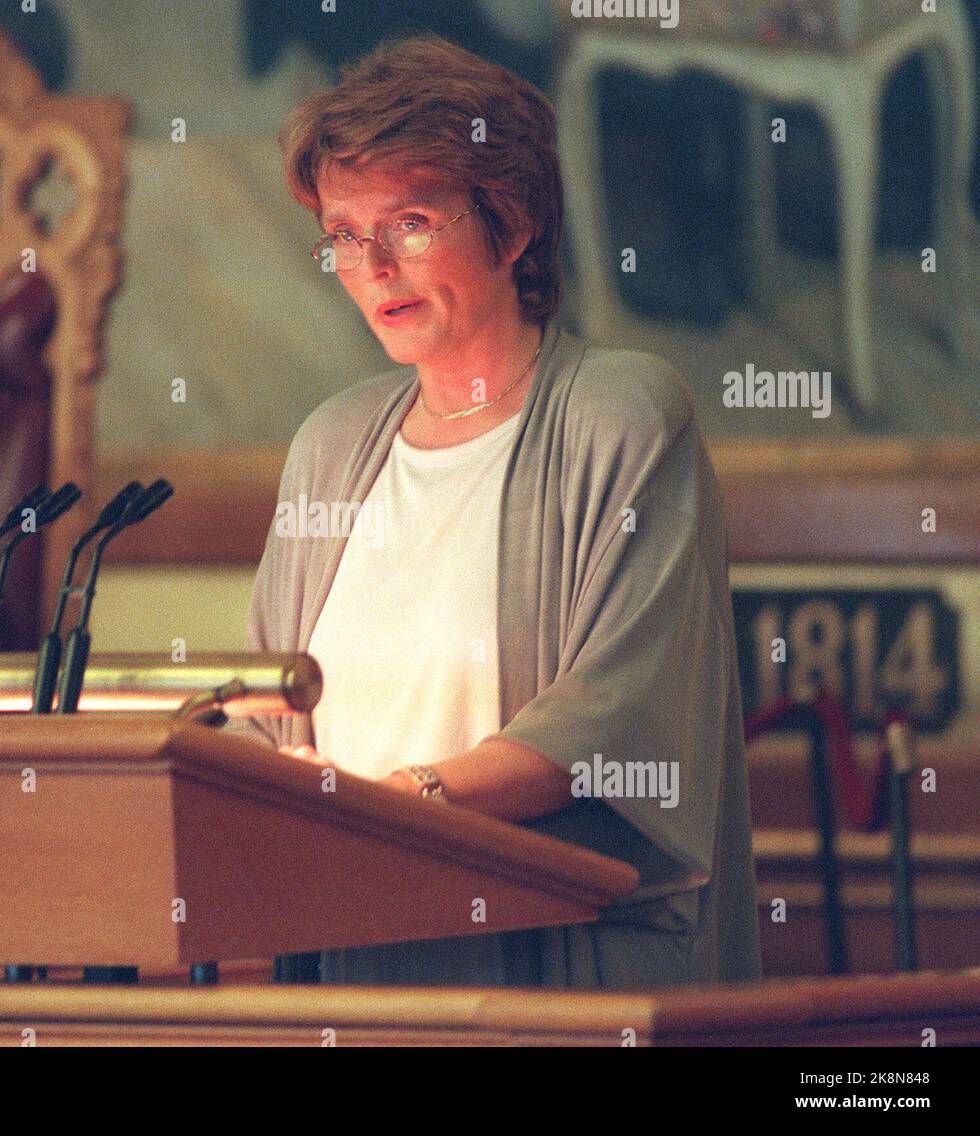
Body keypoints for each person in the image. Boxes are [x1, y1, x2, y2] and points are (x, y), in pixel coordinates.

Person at [232, 34, 761, 989]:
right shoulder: (330, 445)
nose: (375, 265)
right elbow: (270, 713)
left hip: (551, 969)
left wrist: (403, 803)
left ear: (511, 225)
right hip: (352, 956)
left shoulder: (623, 416)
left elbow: (607, 725)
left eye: (413, 221)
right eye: (346, 235)